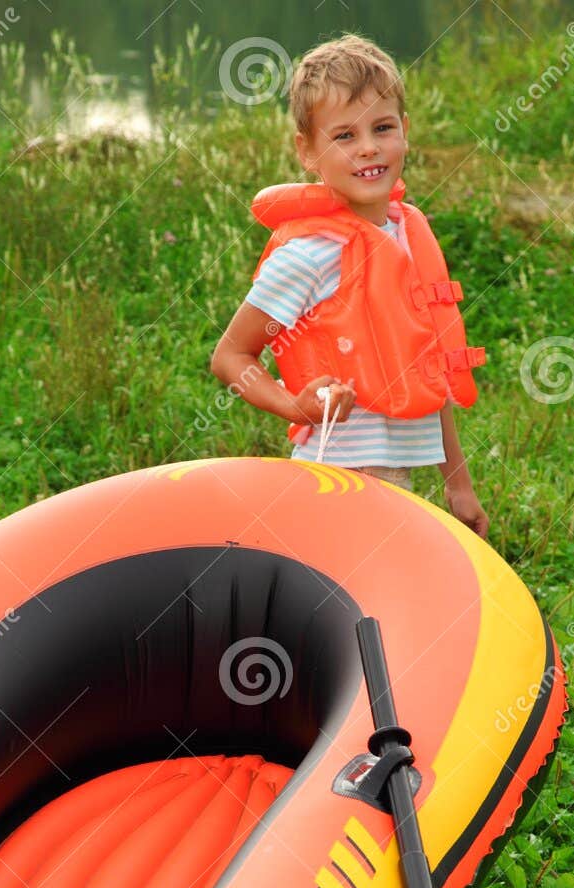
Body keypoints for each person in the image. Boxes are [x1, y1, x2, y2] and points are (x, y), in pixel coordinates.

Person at [209, 33, 490, 538]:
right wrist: (292, 406)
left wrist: (457, 484)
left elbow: (430, 369)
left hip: (394, 479)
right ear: (307, 151)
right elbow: (230, 357)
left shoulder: (406, 231)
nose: (367, 148)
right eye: (344, 136)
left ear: (404, 131)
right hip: (336, 477)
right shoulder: (311, 254)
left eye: (382, 128)